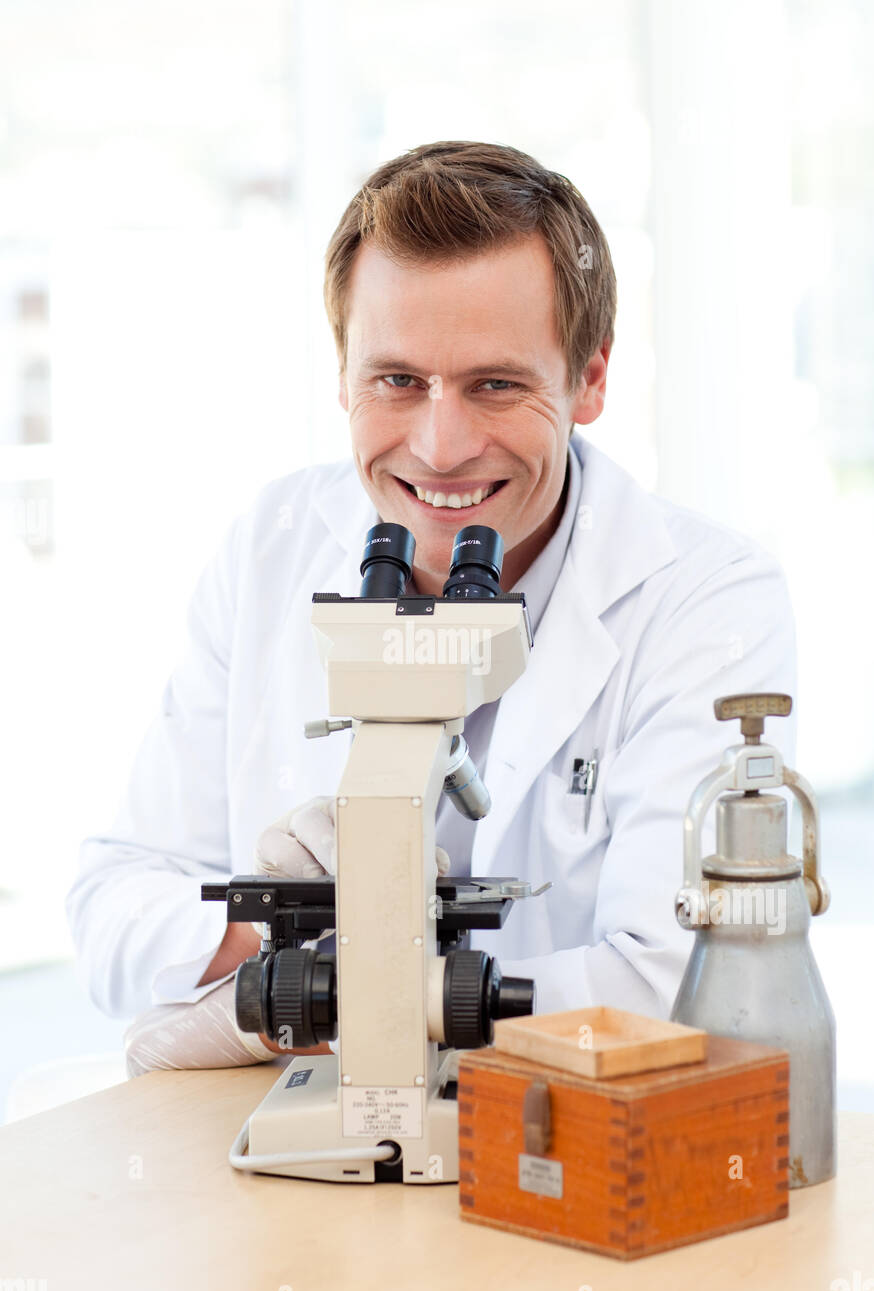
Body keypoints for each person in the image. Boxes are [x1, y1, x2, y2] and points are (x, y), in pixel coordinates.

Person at [66, 141, 797, 1074]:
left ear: (592, 379)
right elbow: (115, 901)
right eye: (397, 380)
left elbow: (676, 986)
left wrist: (344, 985)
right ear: (342, 375)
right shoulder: (273, 546)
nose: (441, 446)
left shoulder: (704, 599)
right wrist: (285, 949)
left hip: (554, 1149)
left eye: (495, 384)